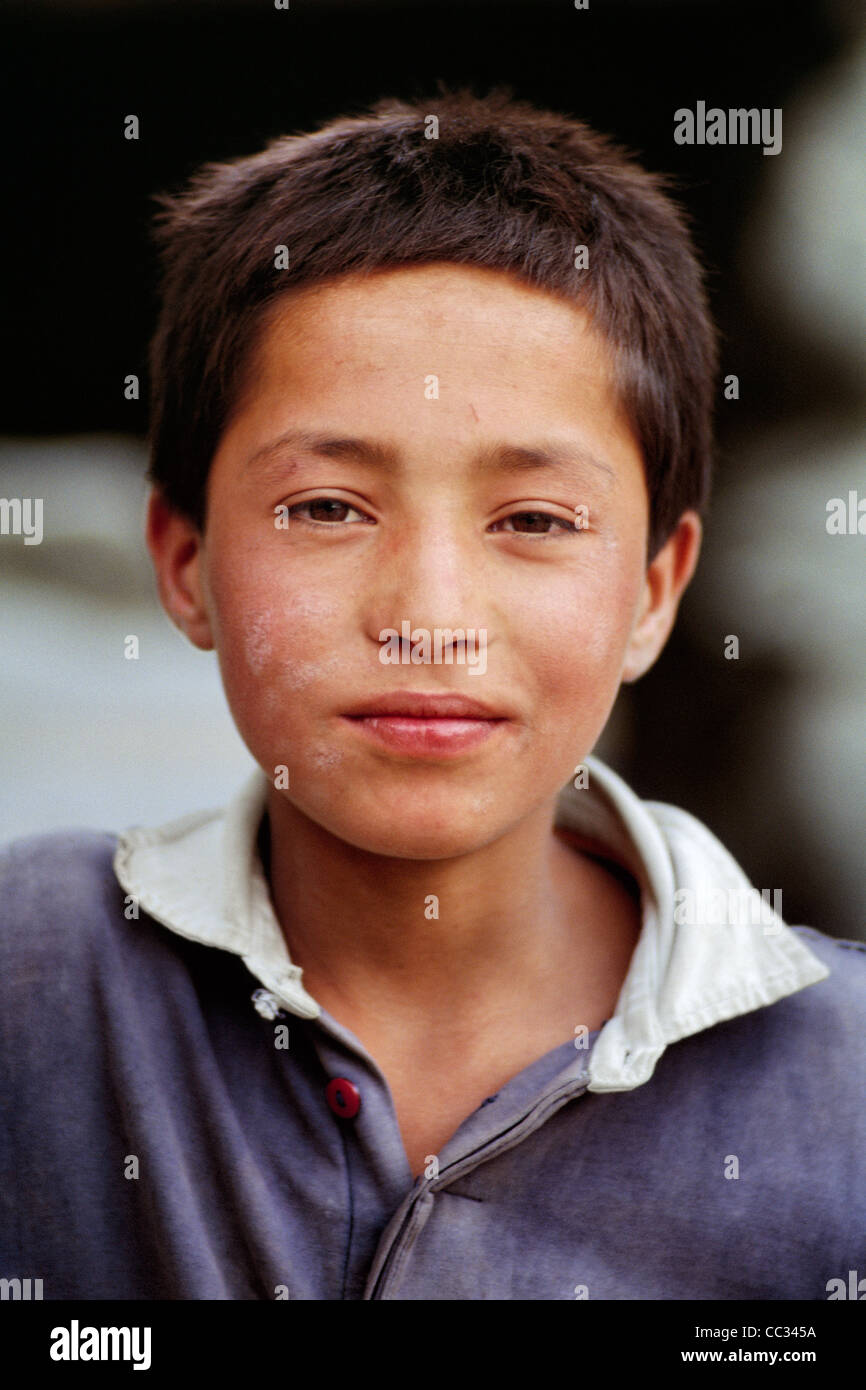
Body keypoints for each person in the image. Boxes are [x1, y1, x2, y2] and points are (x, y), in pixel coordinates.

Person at [2, 88, 863, 1301]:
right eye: (326, 509)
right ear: (184, 562)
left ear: (656, 593)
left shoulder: (842, 1091)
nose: (426, 616)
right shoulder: (34, 975)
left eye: (532, 520)